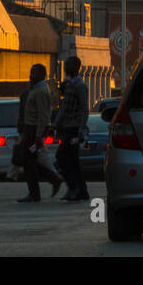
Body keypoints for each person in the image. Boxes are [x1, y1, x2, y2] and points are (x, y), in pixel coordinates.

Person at [18, 63, 63, 202]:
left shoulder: (41, 91)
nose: (30, 75)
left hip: (34, 130)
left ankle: (41, 188)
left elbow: (44, 115)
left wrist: (38, 135)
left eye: (33, 73)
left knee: (27, 160)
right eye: (31, 72)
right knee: (29, 160)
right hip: (30, 129)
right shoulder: (36, 89)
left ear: (41, 75)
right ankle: (51, 180)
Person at [54, 56, 90, 202]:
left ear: (76, 67)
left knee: (62, 156)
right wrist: (57, 123)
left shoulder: (80, 86)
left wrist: (81, 128)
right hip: (66, 127)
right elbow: (64, 107)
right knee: (72, 160)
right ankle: (81, 190)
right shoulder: (69, 85)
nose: (66, 68)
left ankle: (74, 187)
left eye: (69, 65)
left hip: (74, 129)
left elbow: (84, 109)